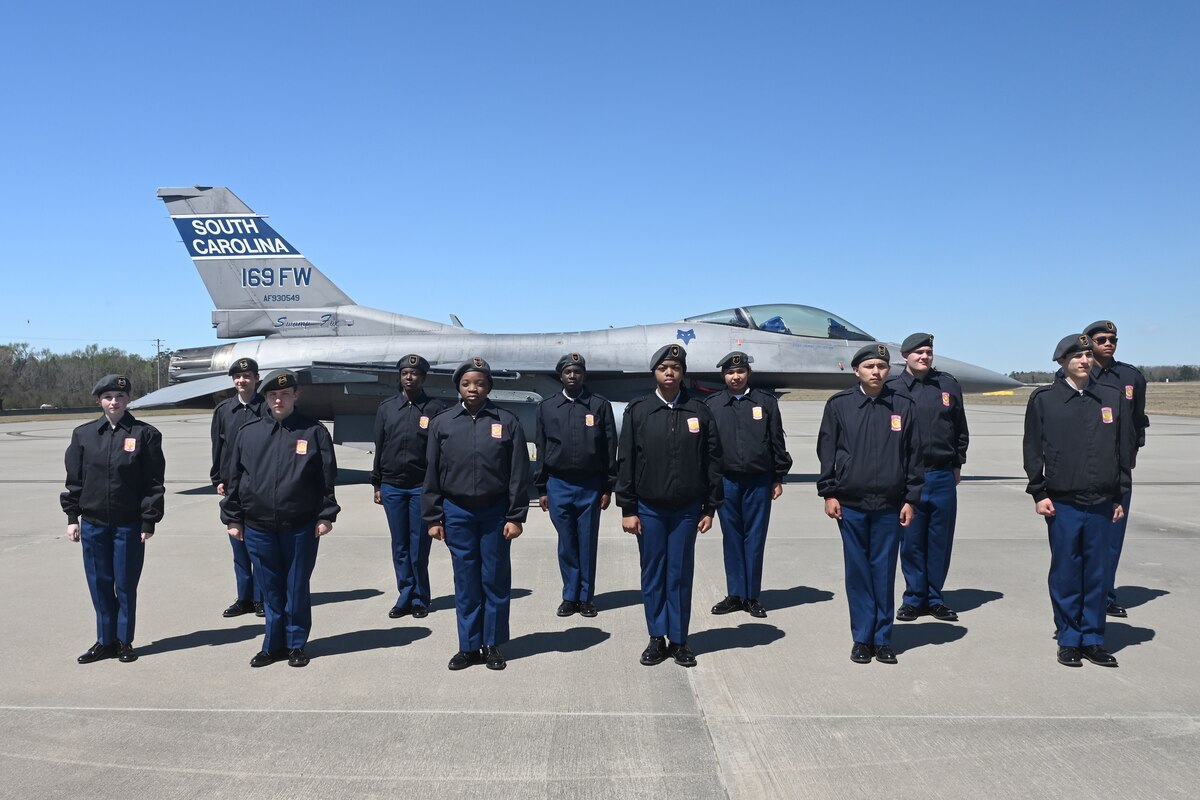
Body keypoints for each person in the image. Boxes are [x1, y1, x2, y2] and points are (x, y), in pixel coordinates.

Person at [1024, 334, 1130, 668]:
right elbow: (1032, 449)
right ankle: (1069, 639)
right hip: (1063, 502)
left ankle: (1094, 638)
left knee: (1097, 573)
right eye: (1077, 356)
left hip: (1101, 501)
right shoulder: (1045, 399)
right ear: (1062, 362)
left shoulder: (1110, 397)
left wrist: (1118, 495)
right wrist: (1038, 492)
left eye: (1087, 355)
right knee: (1067, 572)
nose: (1084, 361)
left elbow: (1121, 451)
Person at [222, 371, 340, 669]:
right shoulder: (248, 432)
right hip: (258, 526)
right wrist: (233, 518)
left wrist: (326, 515)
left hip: (300, 526)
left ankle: (296, 643)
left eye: (285, 394)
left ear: (295, 396)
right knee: (270, 588)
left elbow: (326, 479)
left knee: (296, 587)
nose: (278, 399)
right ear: (264, 397)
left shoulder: (313, 432)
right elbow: (234, 479)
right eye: (273, 394)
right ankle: (272, 645)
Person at [615, 344, 722, 668]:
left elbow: (713, 460)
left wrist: (709, 507)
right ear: (655, 373)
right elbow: (626, 461)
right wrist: (628, 509)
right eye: (663, 368)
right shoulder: (639, 411)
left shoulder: (699, 411)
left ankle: (679, 640)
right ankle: (655, 638)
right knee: (653, 575)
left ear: (683, 373)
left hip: (687, 510)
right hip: (649, 508)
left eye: (675, 368)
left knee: (679, 575)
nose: (670, 373)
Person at [422, 357, 530, 671]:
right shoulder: (443, 422)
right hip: (457, 512)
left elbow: (517, 472)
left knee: (494, 580)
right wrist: (433, 517)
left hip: (495, 512)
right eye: (467, 383)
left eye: (480, 383)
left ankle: (493, 644)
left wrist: (515, 516)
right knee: (466, 581)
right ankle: (469, 646)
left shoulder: (506, 421)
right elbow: (432, 472)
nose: (474, 388)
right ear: (458, 386)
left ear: (489, 388)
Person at [817, 344, 922, 665]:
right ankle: (862, 638)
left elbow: (914, 455)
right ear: (856, 371)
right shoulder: (840, 405)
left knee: (883, 571)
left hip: (891, 504)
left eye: (881, 366)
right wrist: (829, 492)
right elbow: (828, 451)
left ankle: (882, 638)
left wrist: (911, 498)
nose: (876, 372)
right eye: (869, 366)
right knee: (859, 572)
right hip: (851, 503)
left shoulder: (903, 405)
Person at [61, 374, 165, 664]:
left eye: (120, 397)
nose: (114, 402)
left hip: (128, 524)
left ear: (128, 400)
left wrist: (148, 521)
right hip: (94, 524)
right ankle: (104, 640)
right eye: (108, 397)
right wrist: (73, 517)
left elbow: (153, 483)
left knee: (125, 584)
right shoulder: (83, 435)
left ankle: (123, 641)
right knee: (99, 582)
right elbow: (75, 481)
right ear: (99, 401)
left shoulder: (145, 435)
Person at [887, 333, 969, 624]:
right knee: (910, 541)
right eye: (918, 352)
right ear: (905, 356)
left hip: (942, 474)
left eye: (928, 351)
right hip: (908, 478)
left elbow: (960, 428)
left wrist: (958, 462)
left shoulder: (947, 384)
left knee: (939, 540)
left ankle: (934, 598)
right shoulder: (892, 388)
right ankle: (913, 598)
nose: (924, 356)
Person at [704, 351, 792, 618]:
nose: (735, 376)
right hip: (726, 481)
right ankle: (734, 594)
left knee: (754, 538)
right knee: (732, 538)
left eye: (740, 372)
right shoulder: (713, 404)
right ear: (724, 376)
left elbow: (776, 440)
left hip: (759, 480)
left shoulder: (766, 402)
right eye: (730, 373)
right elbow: (707, 448)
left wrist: (778, 476)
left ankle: (752, 596)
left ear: (748, 374)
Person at [535, 353, 617, 618]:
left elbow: (608, 447)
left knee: (587, 541)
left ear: (584, 375)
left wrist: (607, 487)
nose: (573, 376)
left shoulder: (598, 405)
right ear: (561, 375)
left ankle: (586, 597)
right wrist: (542, 488)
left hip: (590, 485)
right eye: (568, 372)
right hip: (558, 483)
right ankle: (570, 595)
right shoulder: (547, 406)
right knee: (566, 541)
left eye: (578, 372)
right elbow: (541, 446)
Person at [372, 354, 447, 620]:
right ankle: (404, 595)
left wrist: (436, 491)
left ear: (423, 378)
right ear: (400, 377)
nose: (409, 377)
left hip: (420, 488)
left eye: (414, 374)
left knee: (419, 546)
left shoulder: (435, 409)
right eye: (405, 373)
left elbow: (440, 453)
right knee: (400, 545)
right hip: (392, 486)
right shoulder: (387, 408)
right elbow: (379, 447)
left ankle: (420, 598)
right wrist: (377, 483)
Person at [1082, 320, 1148, 619]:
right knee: (1082, 538)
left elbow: (1137, 421)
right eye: (1101, 339)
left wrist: (1133, 451)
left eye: (1113, 339)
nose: (1108, 343)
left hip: (1118, 469)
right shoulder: (1078, 374)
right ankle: (1083, 594)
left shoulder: (1131, 376)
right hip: (1083, 467)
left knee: (1112, 536)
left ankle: (1105, 596)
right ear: (1089, 342)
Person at [210, 357, 267, 619]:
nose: (242, 381)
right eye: (237, 377)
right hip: (232, 485)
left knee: (259, 545)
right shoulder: (223, 410)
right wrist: (217, 478)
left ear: (256, 378)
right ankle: (244, 597)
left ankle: (261, 597)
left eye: (247, 376)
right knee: (238, 542)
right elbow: (218, 447)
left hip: (259, 484)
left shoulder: (266, 407)